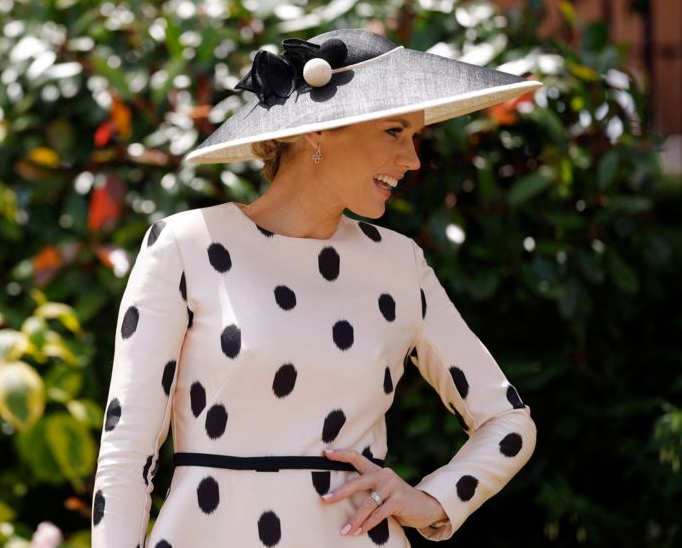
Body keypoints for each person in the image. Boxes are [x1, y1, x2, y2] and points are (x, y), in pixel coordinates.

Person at [92, 28, 539, 547]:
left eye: (415, 137)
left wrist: (434, 501)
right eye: (395, 132)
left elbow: (507, 421)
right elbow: (126, 454)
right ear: (319, 132)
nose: (413, 159)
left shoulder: (400, 264)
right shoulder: (185, 245)